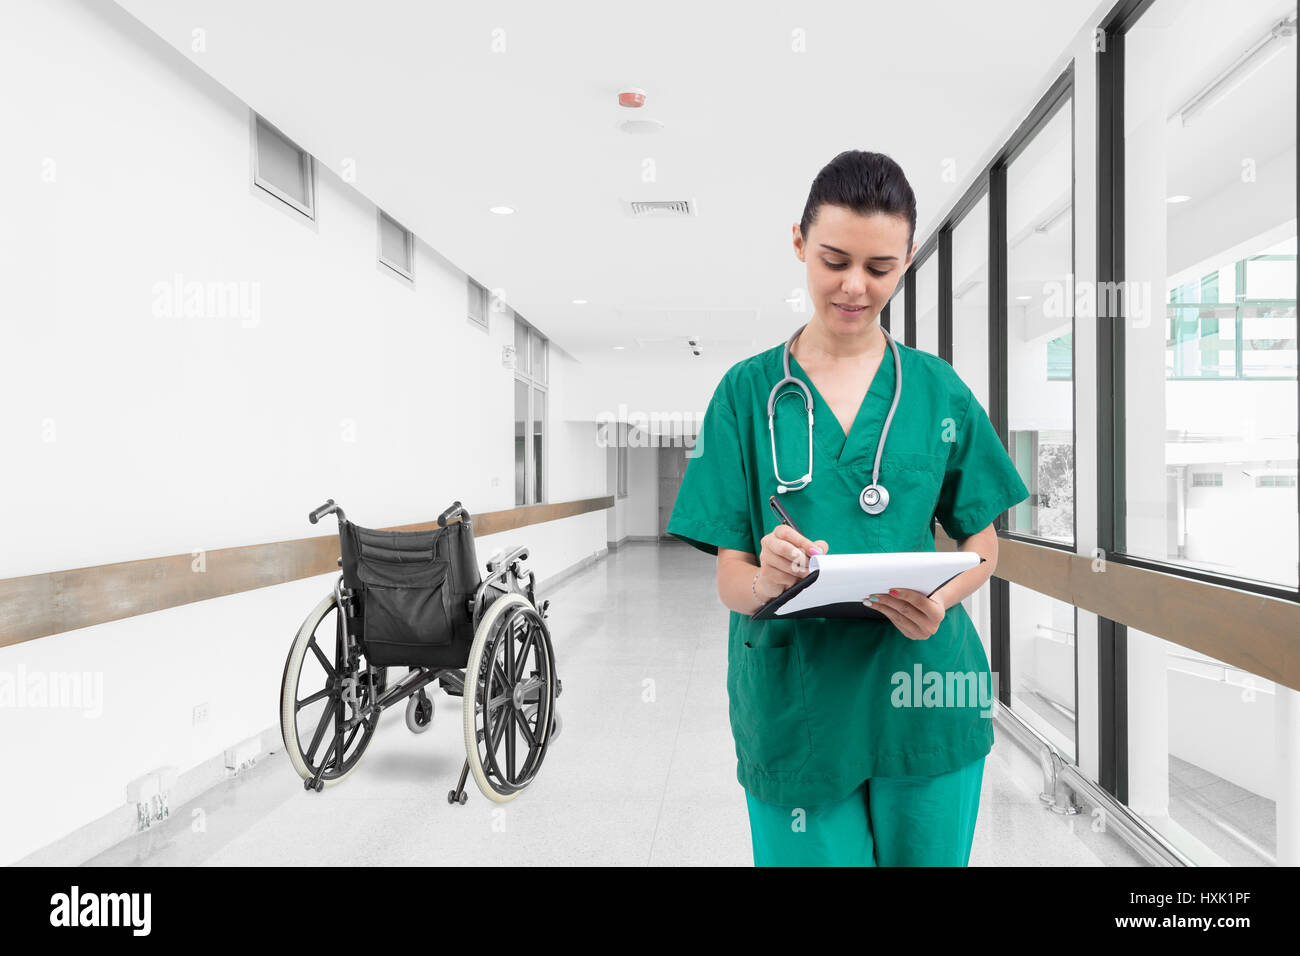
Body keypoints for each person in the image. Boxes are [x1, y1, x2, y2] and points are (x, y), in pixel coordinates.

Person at [666, 150, 1030, 867]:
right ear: (799, 242)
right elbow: (730, 578)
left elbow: (983, 545)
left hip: (927, 694)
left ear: (907, 260)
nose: (855, 287)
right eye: (834, 260)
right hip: (798, 703)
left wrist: (945, 598)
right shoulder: (745, 395)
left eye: (880, 267)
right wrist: (768, 580)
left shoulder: (937, 391)